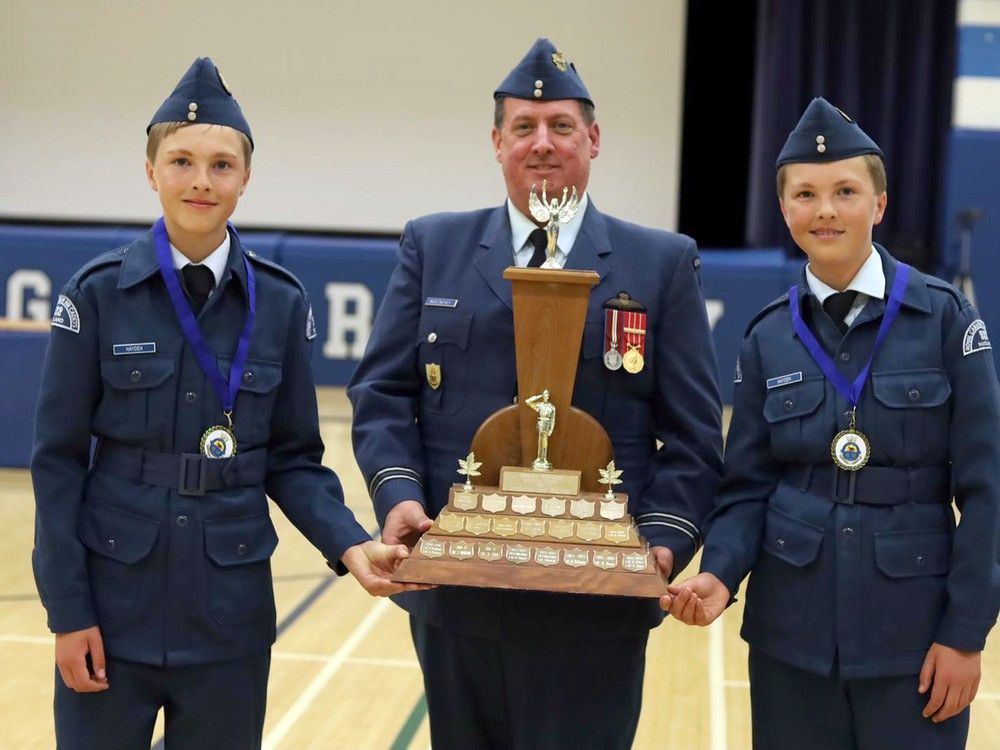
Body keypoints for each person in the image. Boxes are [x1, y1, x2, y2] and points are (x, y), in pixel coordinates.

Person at [30, 57, 423, 750]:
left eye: (221, 165)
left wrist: (351, 543)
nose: (201, 181)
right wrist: (68, 612)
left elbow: (294, 461)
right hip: (113, 608)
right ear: (150, 171)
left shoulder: (280, 303)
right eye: (181, 162)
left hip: (228, 618)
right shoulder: (96, 294)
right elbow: (58, 463)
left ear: (245, 178)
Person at [348, 38, 723, 750]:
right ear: (498, 143)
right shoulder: (434, 246)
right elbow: (384, 394)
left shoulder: (660, 263)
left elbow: (695, 436)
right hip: (459, 596)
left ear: (593, 139)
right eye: (524, 126)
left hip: (598, 603)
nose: (542, 142)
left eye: (561, 126)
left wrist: (661, 544)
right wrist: (399, 499)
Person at [664, 97, 1000, 749]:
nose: (825, 210)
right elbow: (747, 488)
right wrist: (720, 572)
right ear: (783, 208)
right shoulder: (767, 336)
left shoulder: (945, 319)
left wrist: (965, 634)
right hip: (791, 640)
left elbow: (988, 489)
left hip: (913, 637)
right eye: (806, 194)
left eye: (845, 191)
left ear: (879, 204)